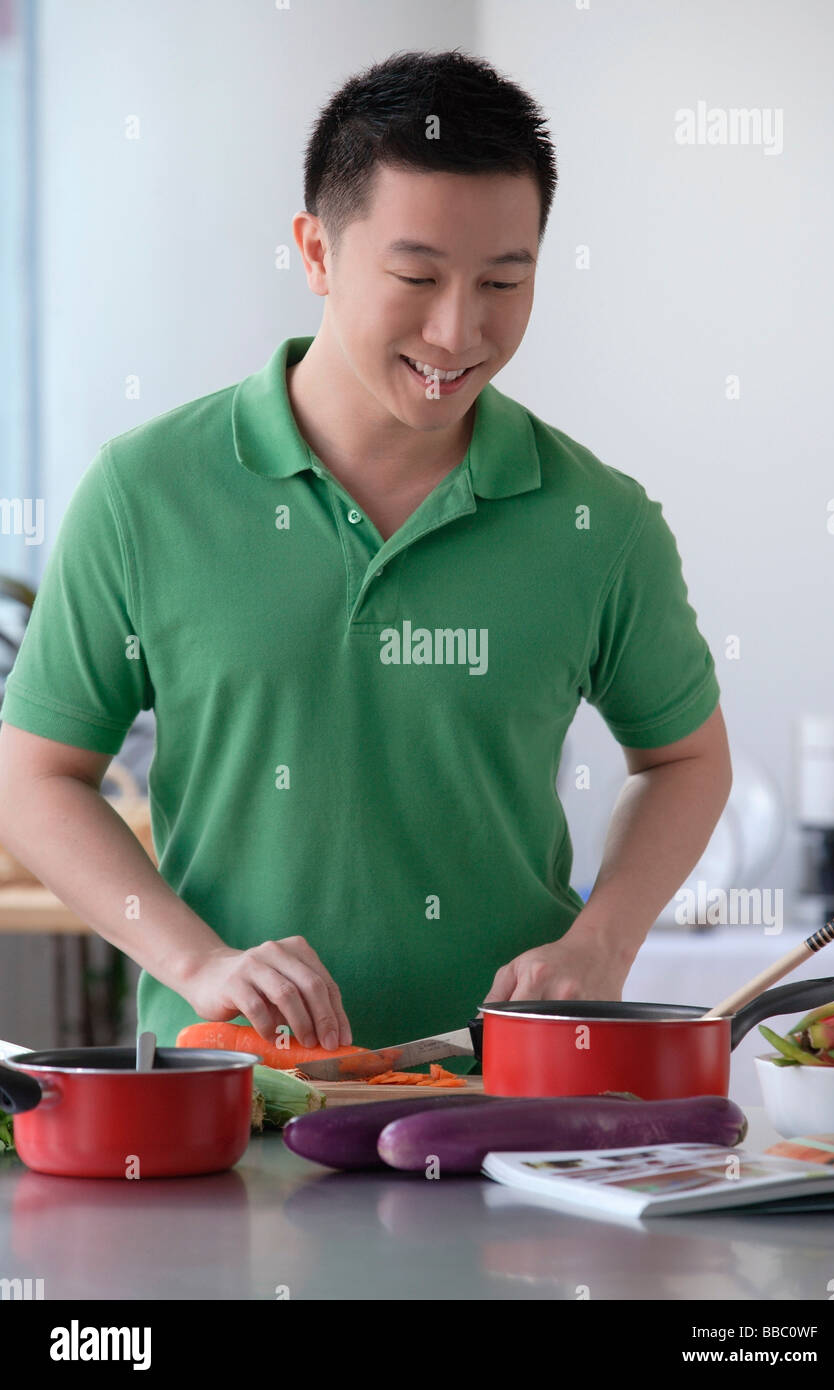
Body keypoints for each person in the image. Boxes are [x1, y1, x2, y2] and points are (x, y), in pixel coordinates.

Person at [0, 50, 731, 1061]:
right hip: (226, 1092)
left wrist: (602, 940)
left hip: (506, 1097)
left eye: (503, 281)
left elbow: (685, 758)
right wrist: (198, 961)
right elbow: (34, 777)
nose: (457, 331)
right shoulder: (144, 492)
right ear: (316, 251)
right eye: (416, 276)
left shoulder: (599, 523)